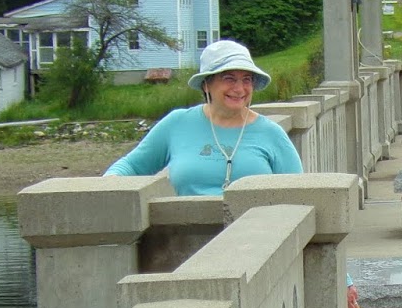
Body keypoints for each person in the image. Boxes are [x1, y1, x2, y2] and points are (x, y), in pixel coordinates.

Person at [103, 39, 301, 194]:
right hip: (188, 241)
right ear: (206, 84)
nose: (239, 89)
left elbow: (299, 191)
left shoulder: (270, 133)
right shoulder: (178, 123)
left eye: (246, 80)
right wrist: (109, 183)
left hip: (256, 239)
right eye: (229, 78)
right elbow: (132, 166)